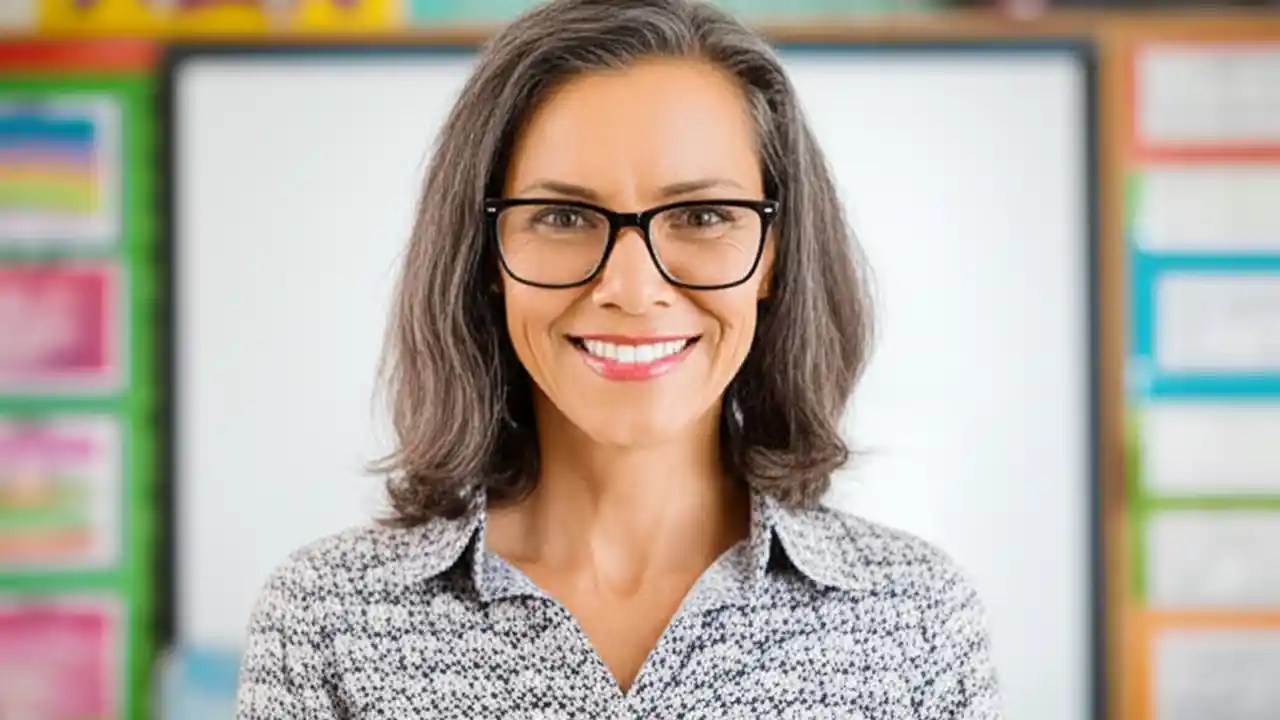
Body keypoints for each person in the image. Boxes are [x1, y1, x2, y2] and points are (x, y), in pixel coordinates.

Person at [235, 0, 1001, 717]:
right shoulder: (326, 621)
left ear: (775, 253)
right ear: (486, 257)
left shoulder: (916, 621)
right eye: (562, 216)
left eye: (703, 216)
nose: (632, 290)